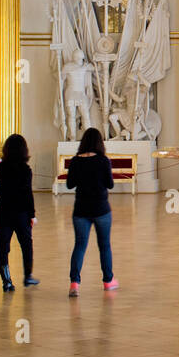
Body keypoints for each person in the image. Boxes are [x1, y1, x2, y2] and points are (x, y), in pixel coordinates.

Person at [65, 127, 117, 297]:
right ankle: (108, 281)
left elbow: (69, 185)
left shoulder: (75, 161)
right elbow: (110, 184)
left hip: (81, 210)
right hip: (101, 209)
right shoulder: (103, 161)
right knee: (104, 246)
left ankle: (74, 283)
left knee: (80, 246)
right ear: (100, 143)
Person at [0, 134, 38, 292]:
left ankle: (7, 281)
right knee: (26, 245)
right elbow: (28, 194)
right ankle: (28, 276)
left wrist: (5, 188)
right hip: (21, 213)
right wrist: (32, 215)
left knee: (3, 247)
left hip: (3, 211)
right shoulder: (26, 169)